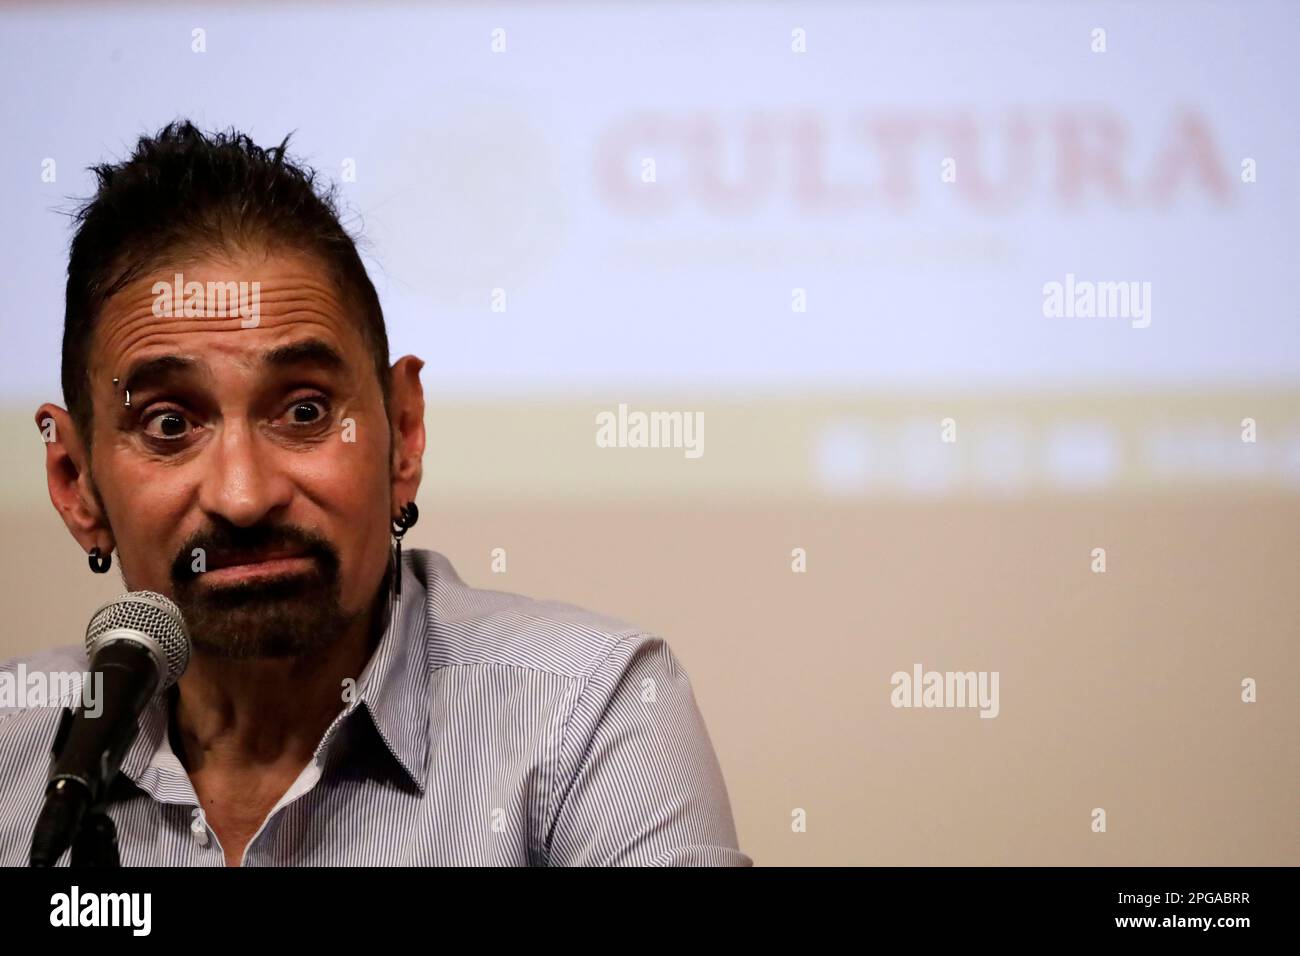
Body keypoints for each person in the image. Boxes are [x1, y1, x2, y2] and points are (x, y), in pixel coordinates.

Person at [0, 122, 749, 867]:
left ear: (404, 434)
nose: (243, 495)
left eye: (304, 412)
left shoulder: (586, 715)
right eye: (169, 423)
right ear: (75, 484)